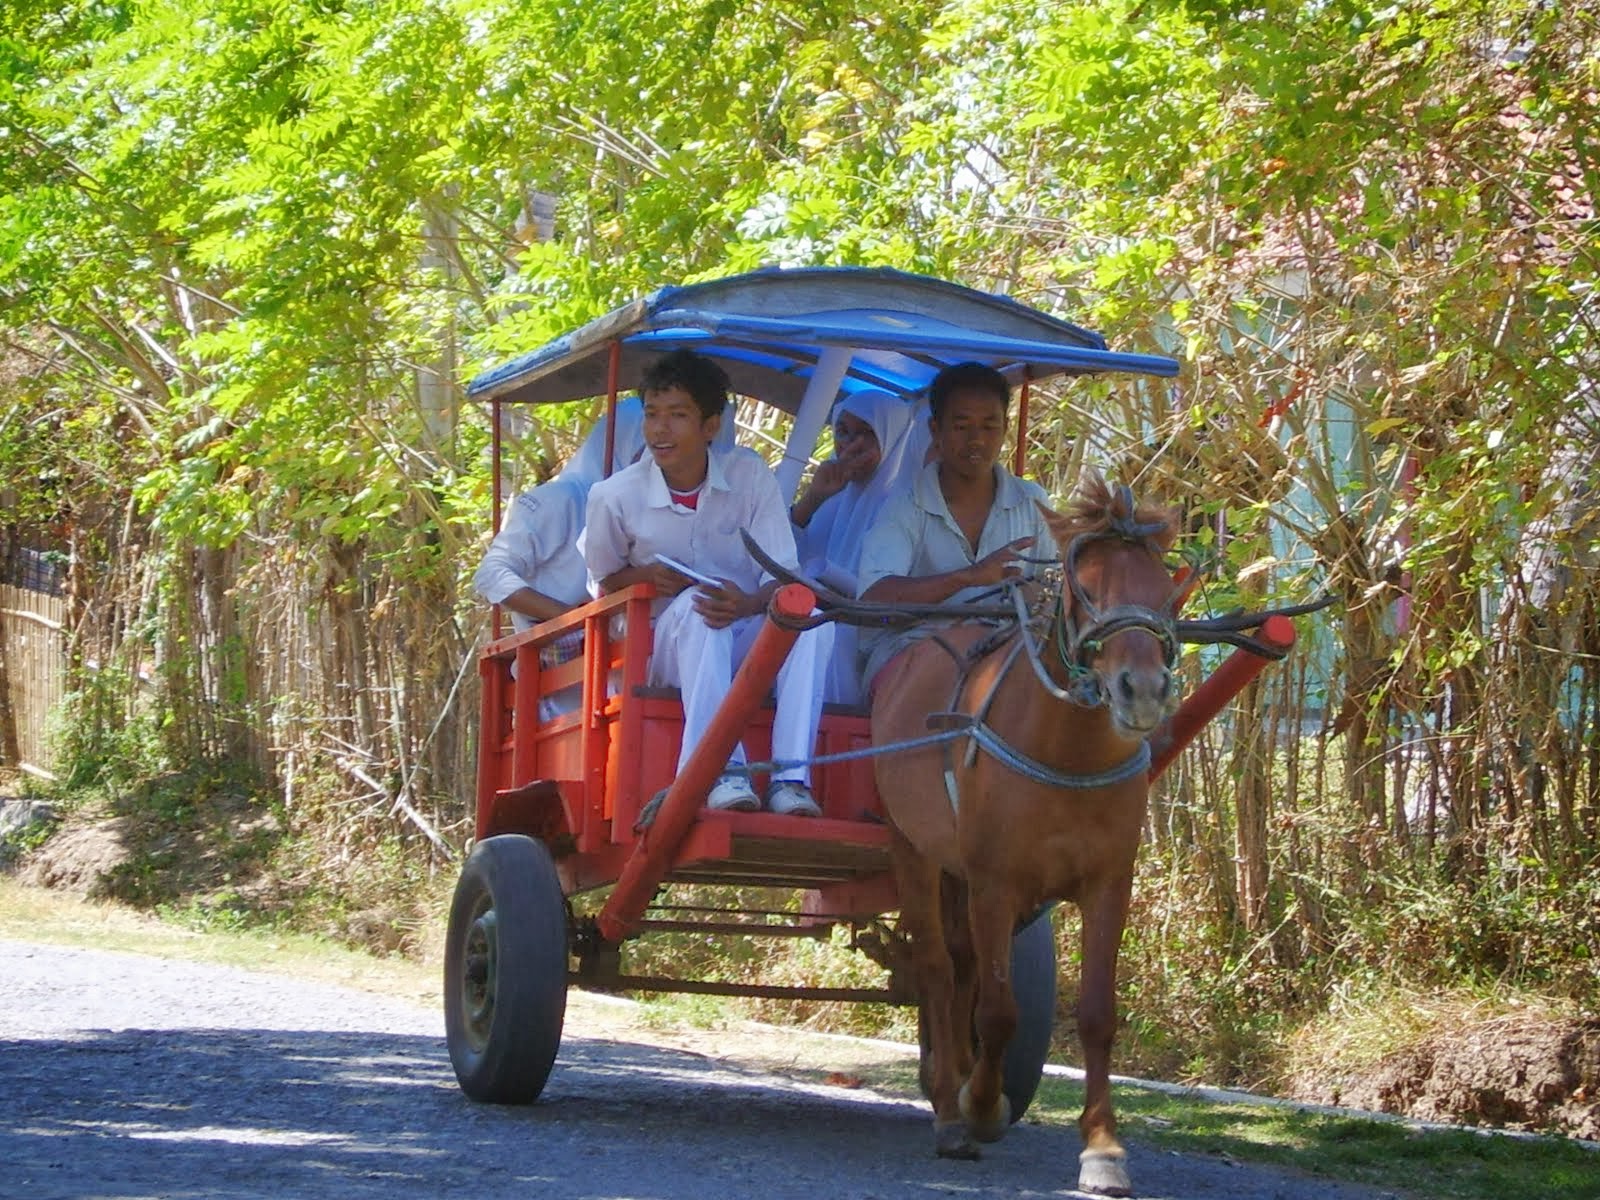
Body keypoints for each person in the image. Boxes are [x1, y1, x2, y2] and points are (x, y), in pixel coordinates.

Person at [584, 349, 835, 816]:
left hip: (739, 633)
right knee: (702, 607)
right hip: (662, 648)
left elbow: (782, 576)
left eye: (678, 416)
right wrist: (644, 577)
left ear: (711, 426)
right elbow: (601, 581)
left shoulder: (749, 474)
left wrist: (747, 605)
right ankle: (721, 773)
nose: (660, 429)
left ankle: (791, 781)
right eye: (652, 415)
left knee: (814, 620)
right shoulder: (614, 496)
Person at [856, 361, 1054, 691]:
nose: (976, 440)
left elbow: (1056, 594)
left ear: (1005, 428)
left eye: (989, 426)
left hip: (1007, 656)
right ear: (936, 430)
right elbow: (874, 601)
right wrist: (969, 577)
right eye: (962, 426)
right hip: (910, 652)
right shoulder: (905, 506)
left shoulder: (1032, 502)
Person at [472, 398, 646, 718]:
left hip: (618, 658)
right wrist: (570, 618)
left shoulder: (649, 510)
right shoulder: (562, 501)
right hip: (560, 666)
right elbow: (492, 573)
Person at [789, 389, 917, 704]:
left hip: (873, 634)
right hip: (818, 615)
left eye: (866, 434)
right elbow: (785, 559)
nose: (849, 445)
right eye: (843, 432)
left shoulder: (906, 504)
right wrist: (813, 499)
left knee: (827, 637)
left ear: (892, 438)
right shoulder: (834, 498)